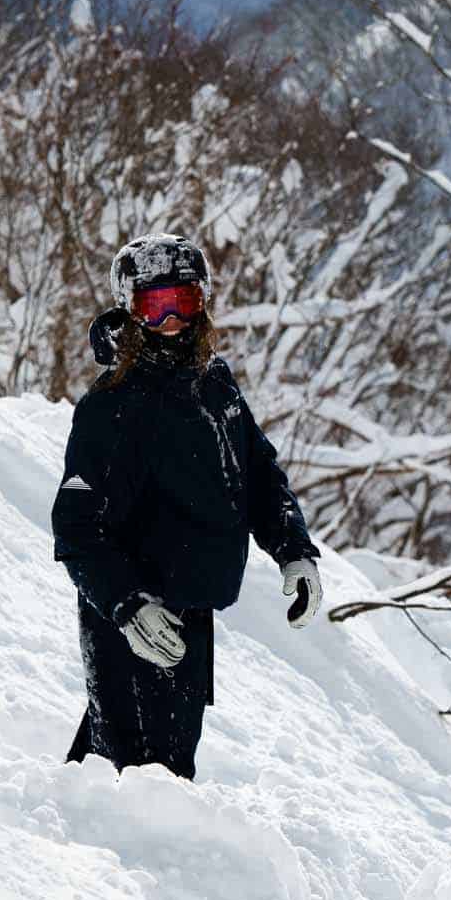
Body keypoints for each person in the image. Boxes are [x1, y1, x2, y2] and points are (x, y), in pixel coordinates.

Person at [51, 233, 322, 780]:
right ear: (129, 310)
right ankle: (88, 858)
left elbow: (259, 474)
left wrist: (294, 549)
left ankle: (62, 826)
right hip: (130, 621)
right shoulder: (111, 408)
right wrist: (127, 606)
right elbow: (76, 529)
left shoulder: (214, 384)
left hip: (191, 612)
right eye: (155, 306)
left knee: (148, 765)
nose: (172, 319)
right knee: (139, 774)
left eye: (185, 300)